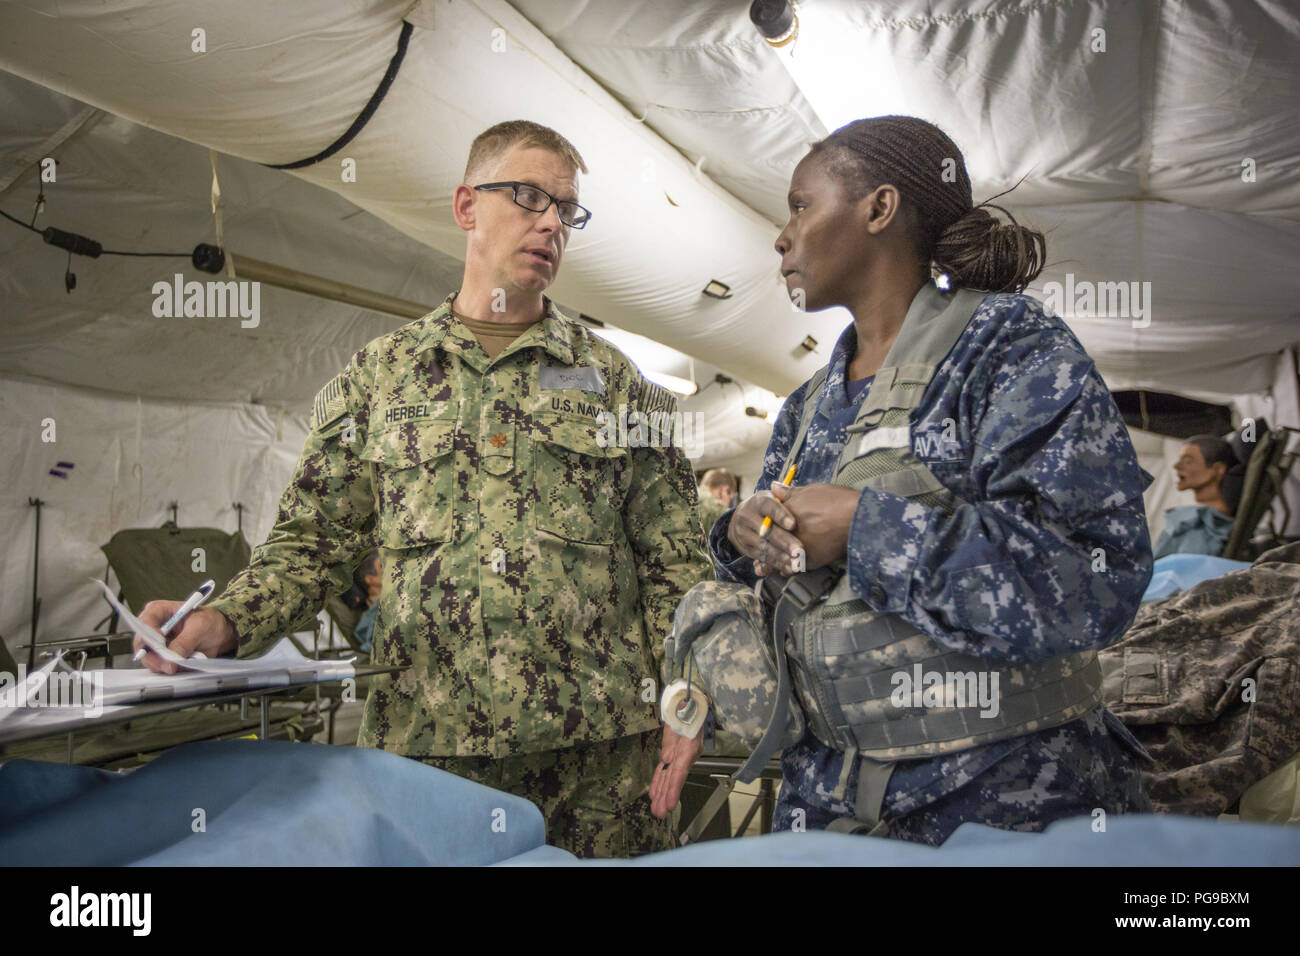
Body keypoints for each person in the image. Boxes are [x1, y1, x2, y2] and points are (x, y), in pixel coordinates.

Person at [135, 120, 711, 858]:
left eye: (566, 210)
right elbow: (311, 544)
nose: (550, 223)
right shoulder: (381, 375)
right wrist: (221, 622)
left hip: (599, 761)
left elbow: (676, 564)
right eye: (529, 196)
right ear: (467, 205)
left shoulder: (615, 381)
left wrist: (687, 699)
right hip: (435, 748)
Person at [688, 115, 1154, 844]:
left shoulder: (1007, 349)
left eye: (801, 205)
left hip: (1003, 805)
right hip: (829, 807)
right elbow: (777, 574)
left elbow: (1096, 581)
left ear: (878, 208)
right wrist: (744, 532)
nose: (782, 236)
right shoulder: (807, 407)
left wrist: (865, 526)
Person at [1153, 435, 1237, 559]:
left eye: (1188, 461)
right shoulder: (1191, 520)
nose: (1176, 466)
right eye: (1179, 459)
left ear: (1218, 469)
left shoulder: (1204, 527)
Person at [696, 467, 738, 534]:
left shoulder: (687, 493)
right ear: (724, 490)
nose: (729, 502)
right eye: (730, 497)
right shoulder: (714, 507)